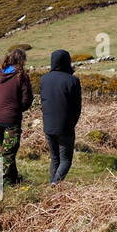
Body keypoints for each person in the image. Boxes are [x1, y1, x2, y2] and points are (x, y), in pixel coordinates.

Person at [0, 47, 33, 185]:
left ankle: (13, 178)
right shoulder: (21, 76)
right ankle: (2, 181)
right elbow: (27, 99)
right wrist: (19, 108)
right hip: (12, 118)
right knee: (8, 152)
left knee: (6, 149)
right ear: (22, 60)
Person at [40, 49, 83, 184]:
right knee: (66, 160)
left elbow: (43, 102)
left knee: (55, 158)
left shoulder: (44, 79)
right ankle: (54, 184)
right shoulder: (72, 80)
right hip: (65, 126)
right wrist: (72, 123)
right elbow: (77, 107)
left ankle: (52, 187)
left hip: (48, 125)